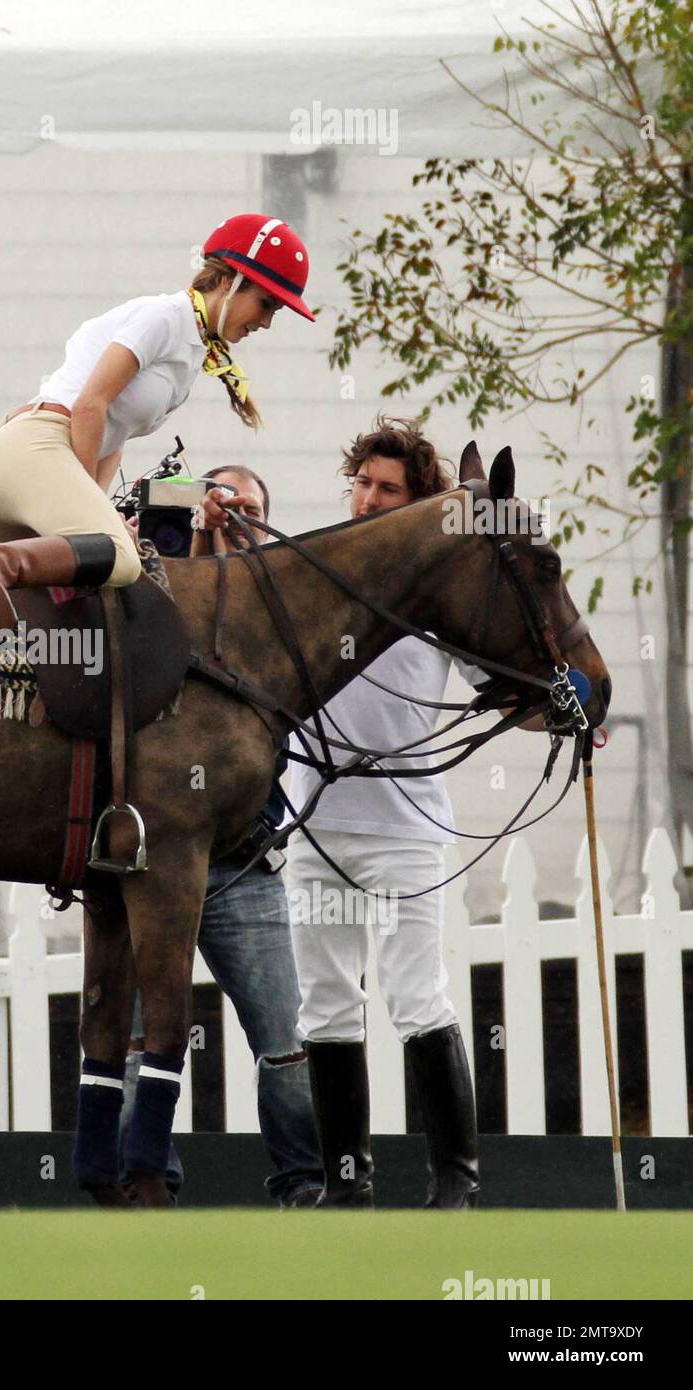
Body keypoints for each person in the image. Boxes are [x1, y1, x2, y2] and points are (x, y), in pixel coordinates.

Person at [283, 416, 487, 1209]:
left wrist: (572, 703)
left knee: (416, 998)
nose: (367, 498)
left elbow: (502, 674)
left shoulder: (440, 595)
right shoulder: (312, 571)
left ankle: (456, 1188)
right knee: (326, 1006)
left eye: (387, 488)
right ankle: (348, 1189)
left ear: (414, 503)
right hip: (316, 828)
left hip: (404, 831)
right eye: (361, 483)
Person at [0, 215, 315, 630]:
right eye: (267, 304)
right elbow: (89, 407)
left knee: (87, 605)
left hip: (17, 473)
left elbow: (113, 434)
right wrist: (95, 526)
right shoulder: (166, 317)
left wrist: (96, 509)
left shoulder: (191, 352)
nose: (266, 322)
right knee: (121, 559)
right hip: (31, 454)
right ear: (231, 281)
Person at [118, 465, 325, 1208]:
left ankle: (305, 1182)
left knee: (287, 1043)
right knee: (140, 1043)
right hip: (156, 864)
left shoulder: (284, 614)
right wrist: (179, 537)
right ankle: (142, 1183)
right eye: (221, 501)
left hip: (245, 866)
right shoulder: (163, 589)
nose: (237, 516)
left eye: (253, 509)